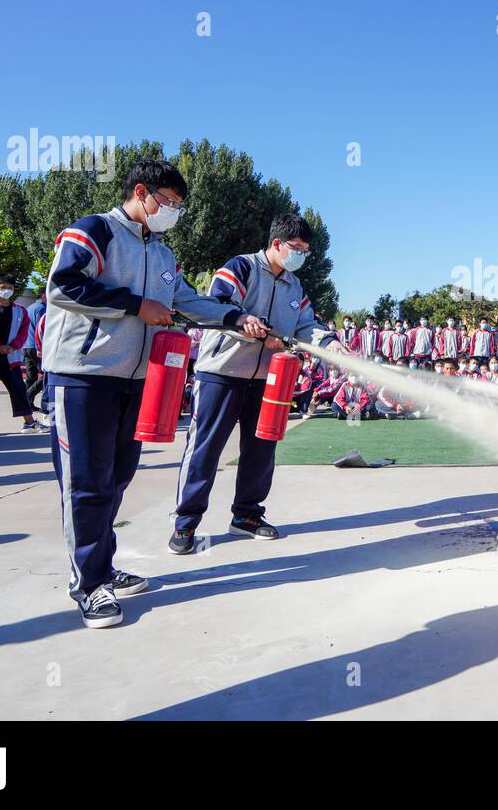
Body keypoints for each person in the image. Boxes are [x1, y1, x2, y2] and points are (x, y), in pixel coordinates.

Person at [43, 159, 267, 628]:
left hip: (136, 380)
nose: (173, 213)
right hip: (83, 376)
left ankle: (100, 566)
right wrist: (133, 305)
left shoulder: (163, 256)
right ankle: (87, 585)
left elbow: (186, 300)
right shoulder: (93, 232)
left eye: (179, 208)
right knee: (86, 483)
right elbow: (62, 287)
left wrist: (234, 318)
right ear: (141, 192)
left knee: (119, 476)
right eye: (168, 203)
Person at [171, 214, 342, 553]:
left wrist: (328, 342)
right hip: (221, 372)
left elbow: (306, 324)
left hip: (266, 379)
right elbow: (218, 305)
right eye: (296, 249)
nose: (300, 257)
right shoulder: (240, 268)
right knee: (205, 448)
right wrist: (248, 325)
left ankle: (246, 516)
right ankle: (185, 523)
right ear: (276, 244)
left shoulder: (295, 286)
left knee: (262, 448)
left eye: (306, 251)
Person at [0, 274, 42, 435]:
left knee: (18, 389)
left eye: (10, 288)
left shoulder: (20, 310)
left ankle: (29, 422)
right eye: (3, 287)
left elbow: (23, 331)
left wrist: (12, 346)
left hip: (10, 356)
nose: (6, 291)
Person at [24, 287, 47, 411]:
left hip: (27, 345)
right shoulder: (43, 309)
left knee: (31, 376)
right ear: (44, 295)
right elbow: (41, 329)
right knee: (45, 375)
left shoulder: (30, 308)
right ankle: (26, 398)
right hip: (37, 347)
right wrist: (40, 348)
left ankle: (27, 405)